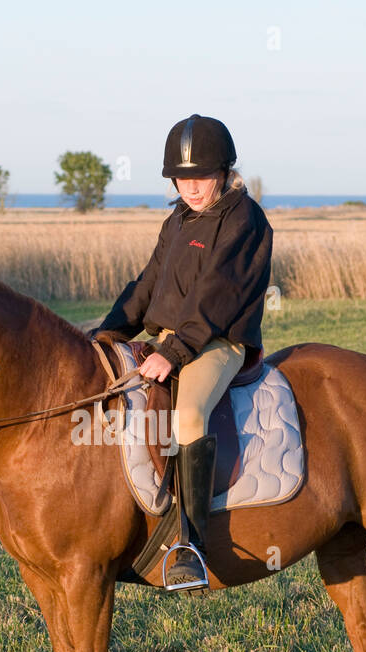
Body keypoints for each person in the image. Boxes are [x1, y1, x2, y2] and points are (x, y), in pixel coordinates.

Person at [92, 114, 273, 590]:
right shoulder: (178, 220)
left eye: (202, 177)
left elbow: (218, 295)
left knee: (188, 416)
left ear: (224, 170)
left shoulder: (244, 220)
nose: (191, 187)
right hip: (172, 338)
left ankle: (190, 542)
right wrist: (108, 333)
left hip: (217, 340)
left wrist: (174, 351)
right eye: (183, 178)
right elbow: (148, 284)